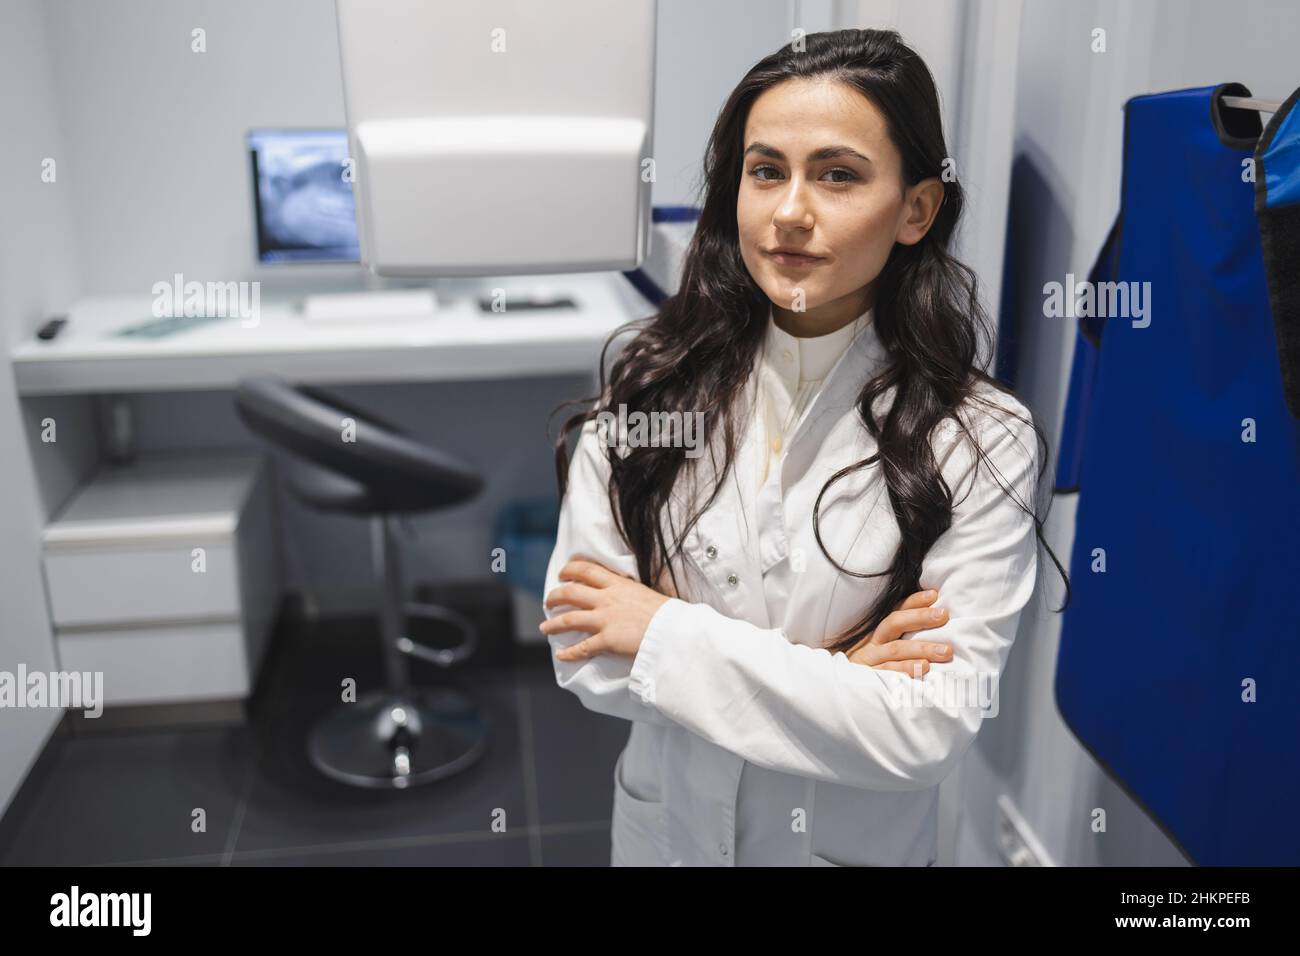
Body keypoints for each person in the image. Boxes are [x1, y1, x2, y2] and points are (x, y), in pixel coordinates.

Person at [540, 27, 1068, 867]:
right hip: (665, 837)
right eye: (765, 171)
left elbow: (923, 731)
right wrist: (843, 668)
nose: (789, 211)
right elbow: (585, 653)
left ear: (916, 209)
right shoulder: (648, 391)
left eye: (837, 174)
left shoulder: (981, 439)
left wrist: (665, 631)